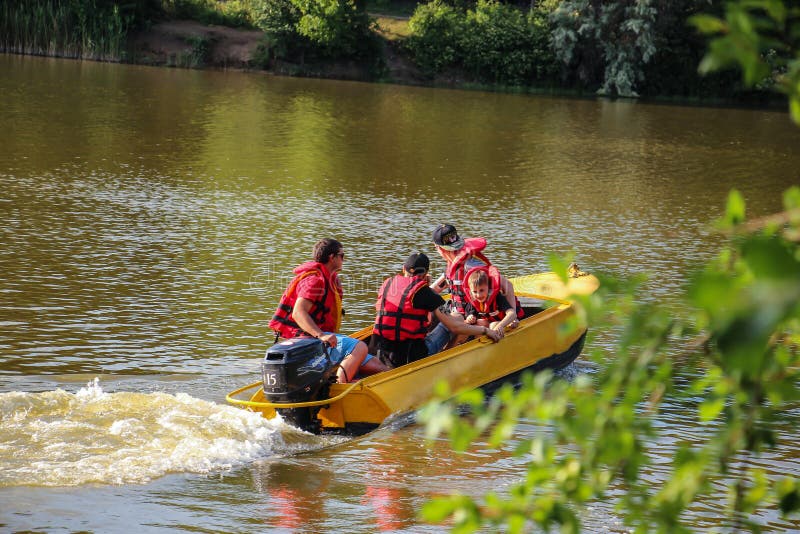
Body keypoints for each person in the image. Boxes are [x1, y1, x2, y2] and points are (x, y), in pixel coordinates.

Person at [268, 238, 388, 383]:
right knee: (361, 347)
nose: (343, 259)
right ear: (332, 257)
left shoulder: (328, 278)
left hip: (321, 339)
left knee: (379, 367)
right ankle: (343, 384)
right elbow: (298, 312)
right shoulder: (315, 280)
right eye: (342, 256)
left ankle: (356, 380)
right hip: (309, 340)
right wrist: (321, 335)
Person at [369, 252, 502, 368]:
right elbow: (455, 327)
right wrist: (485, 330)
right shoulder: (426, 293)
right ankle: (445, 360)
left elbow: (407, 300)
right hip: (410, 357)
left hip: (380, 352)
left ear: (404, 269)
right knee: (457, 318)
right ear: (426, 273)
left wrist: (427, 287)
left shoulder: (387, 283)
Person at [430, 223, 521, 324]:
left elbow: (507, 285)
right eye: (453, 249)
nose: (456, 251)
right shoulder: (451, 266)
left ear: (438, 248)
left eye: (457, 248)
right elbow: (434, 289)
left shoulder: (471, 264)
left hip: (473, 316)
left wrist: (513, 317)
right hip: (460, 314)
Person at [463, 266, 518, 337]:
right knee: (477, 324)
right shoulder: (473, 300)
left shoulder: (498, 297)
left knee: (493, 325)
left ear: (488, 288)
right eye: (475, 291)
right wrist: (470, 318)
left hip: (503, 323)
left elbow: (512, 314)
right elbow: (469, 315)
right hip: (489, 323)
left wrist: (500, 325)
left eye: (482, 290)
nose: (478, 295)